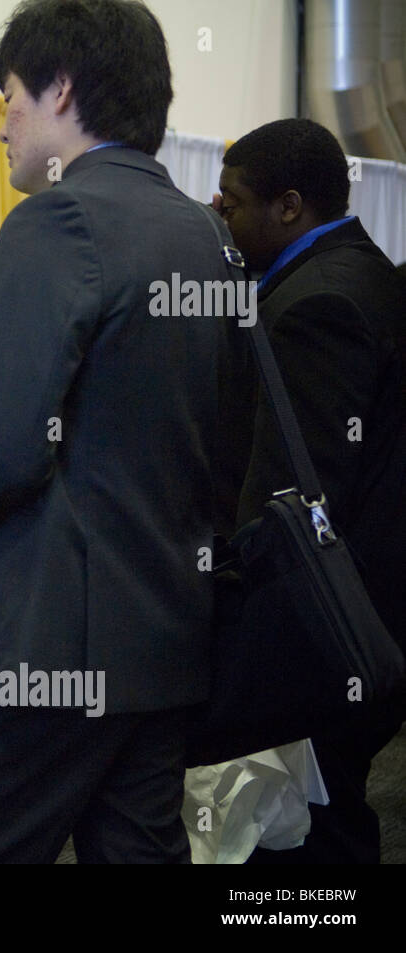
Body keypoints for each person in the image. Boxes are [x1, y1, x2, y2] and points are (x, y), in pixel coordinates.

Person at [0, 0, 235, 863]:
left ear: (60, 89)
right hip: (168, 638)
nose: (1, 127)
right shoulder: (209, 233)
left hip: (55, 642)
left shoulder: (59, 218)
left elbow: (10, 444)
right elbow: (231, 439)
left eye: (9, 98)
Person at [214, 118, 406, 864]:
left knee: (311, 827)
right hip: (365, 620)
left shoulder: (315, 306)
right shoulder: (368, 272)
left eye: (230, 202)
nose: (220, 214)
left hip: (327, 634)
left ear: (288, 206)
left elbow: (297, 499)